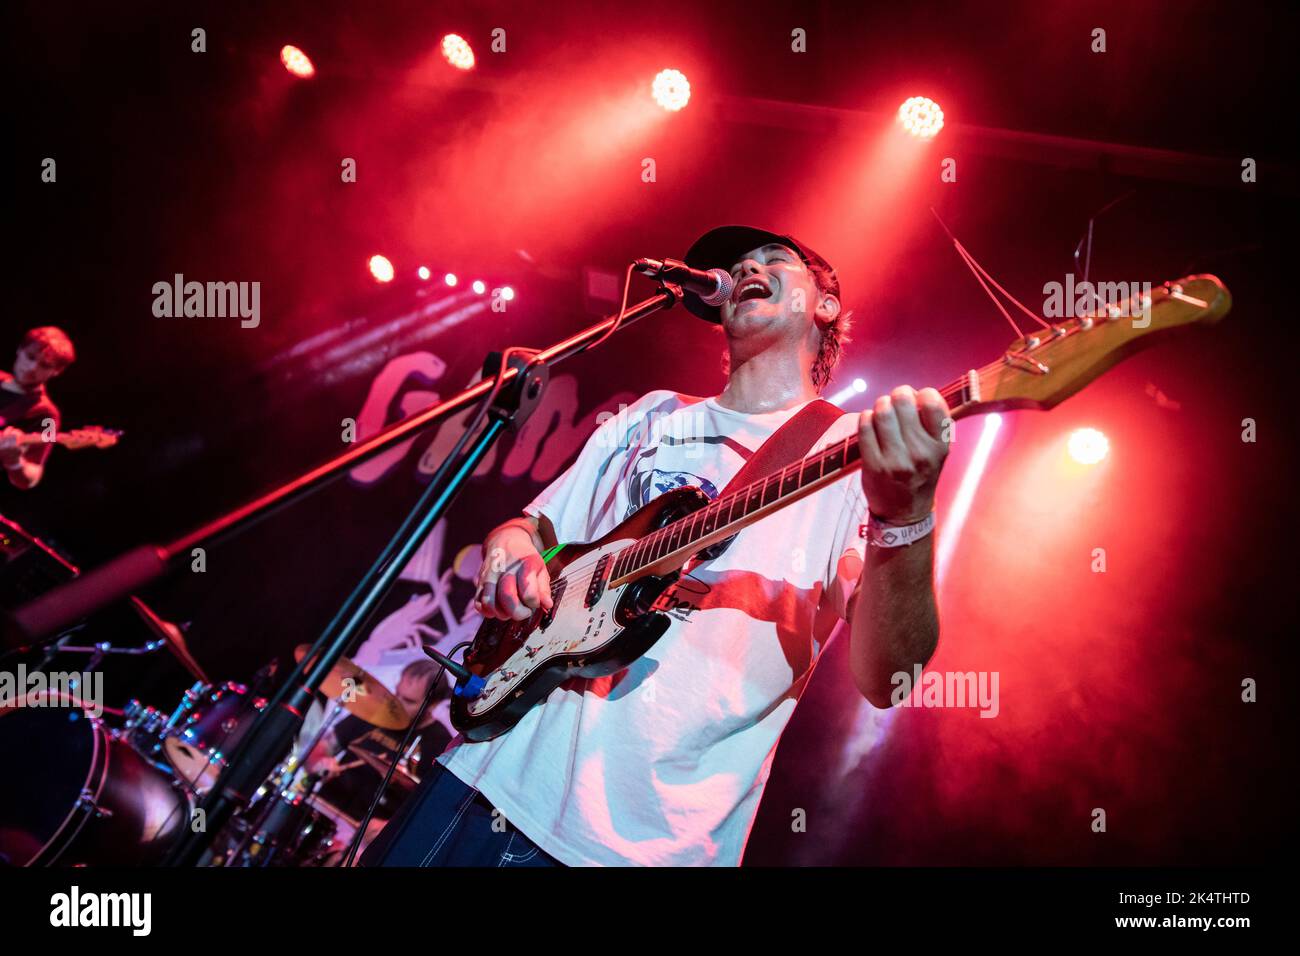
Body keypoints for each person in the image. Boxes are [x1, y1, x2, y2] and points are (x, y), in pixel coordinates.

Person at [361, 225, 952, 867]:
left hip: (634, 846)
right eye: (738, 263)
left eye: (774, 260)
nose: (749, 266)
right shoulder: (652, 415)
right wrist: (507, 563)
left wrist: (907, 513)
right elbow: (526, 530)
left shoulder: (851, 455)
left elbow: (889, 678)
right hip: (486, 774)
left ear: (825, 307)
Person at [307, 659, 453, 823]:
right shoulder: (376, 712)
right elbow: (318, 750)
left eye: (409, 701)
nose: (397, 704)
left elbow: (430, 811)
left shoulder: (439, 743)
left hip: (369, 835)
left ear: (433, 705)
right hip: (324, 809)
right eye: (397, 693)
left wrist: (386, 827)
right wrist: (321, 762)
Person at [0, 327, 76, 490]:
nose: (32, 368)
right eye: (30, 357)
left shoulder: (48, 417)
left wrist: (15, 463)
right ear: (19, 350)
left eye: (45, 365)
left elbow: (33, 474)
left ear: (57, 371)